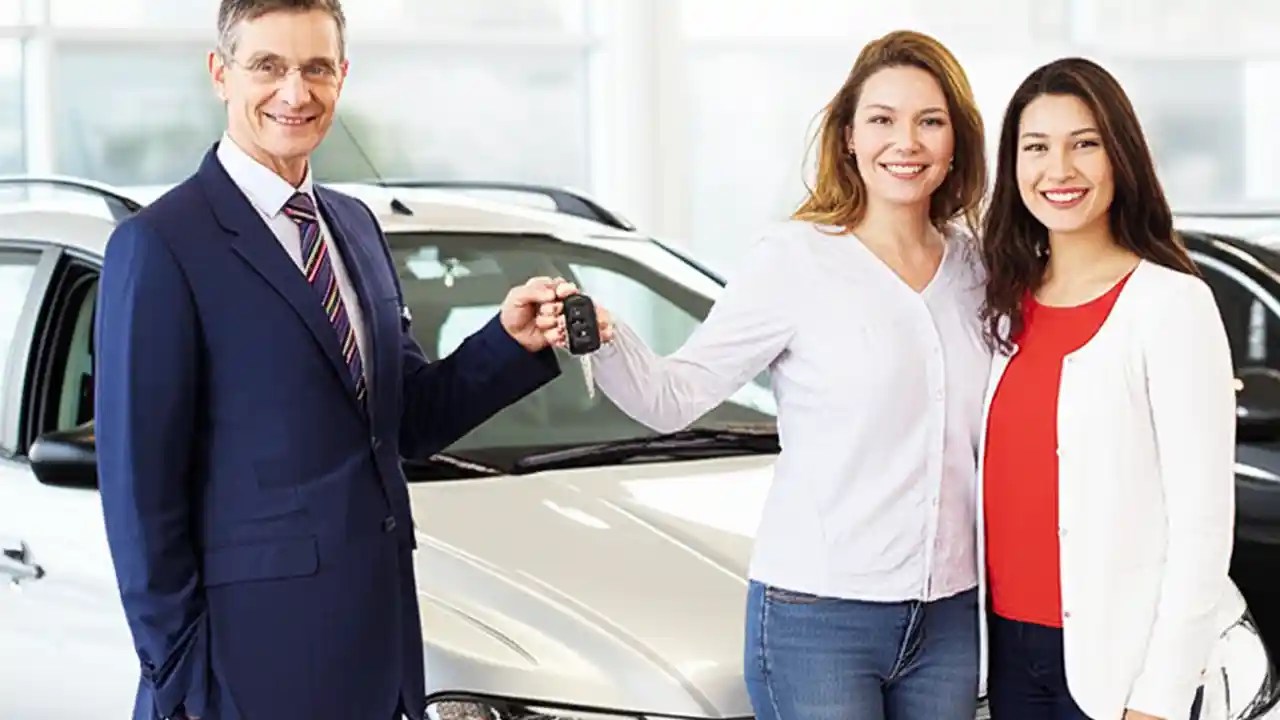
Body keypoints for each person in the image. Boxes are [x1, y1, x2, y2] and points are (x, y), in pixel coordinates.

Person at [93, 2, 571, 719]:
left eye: (316, 68)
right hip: (244, 672)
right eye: (268, 67)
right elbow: (140, 498)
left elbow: (402, 421)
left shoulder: (352, 225)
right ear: (220, 74)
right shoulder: (161, 245)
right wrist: (182, 682)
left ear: (342, 76)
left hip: (380, 652)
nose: (296, 92)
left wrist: (506, 343)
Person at [541, 29, 990, 720]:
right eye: (882, 120)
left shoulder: (978, 269)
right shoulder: (794, 260)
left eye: (929, 121)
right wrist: (605, 336)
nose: (906, 142)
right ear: (847, 136)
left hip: (950, 618)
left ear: (956, 140)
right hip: (820, 619)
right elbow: (673, 398)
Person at [977, 57, 1241, 720]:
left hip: (1118, 671)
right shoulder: (1003, 305)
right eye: (1036, 148)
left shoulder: (1171, 305)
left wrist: (1160, 694)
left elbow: (1202, 526)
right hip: (1006, 656)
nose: (1058, 170)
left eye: (1084, 144)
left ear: (1121, 156)